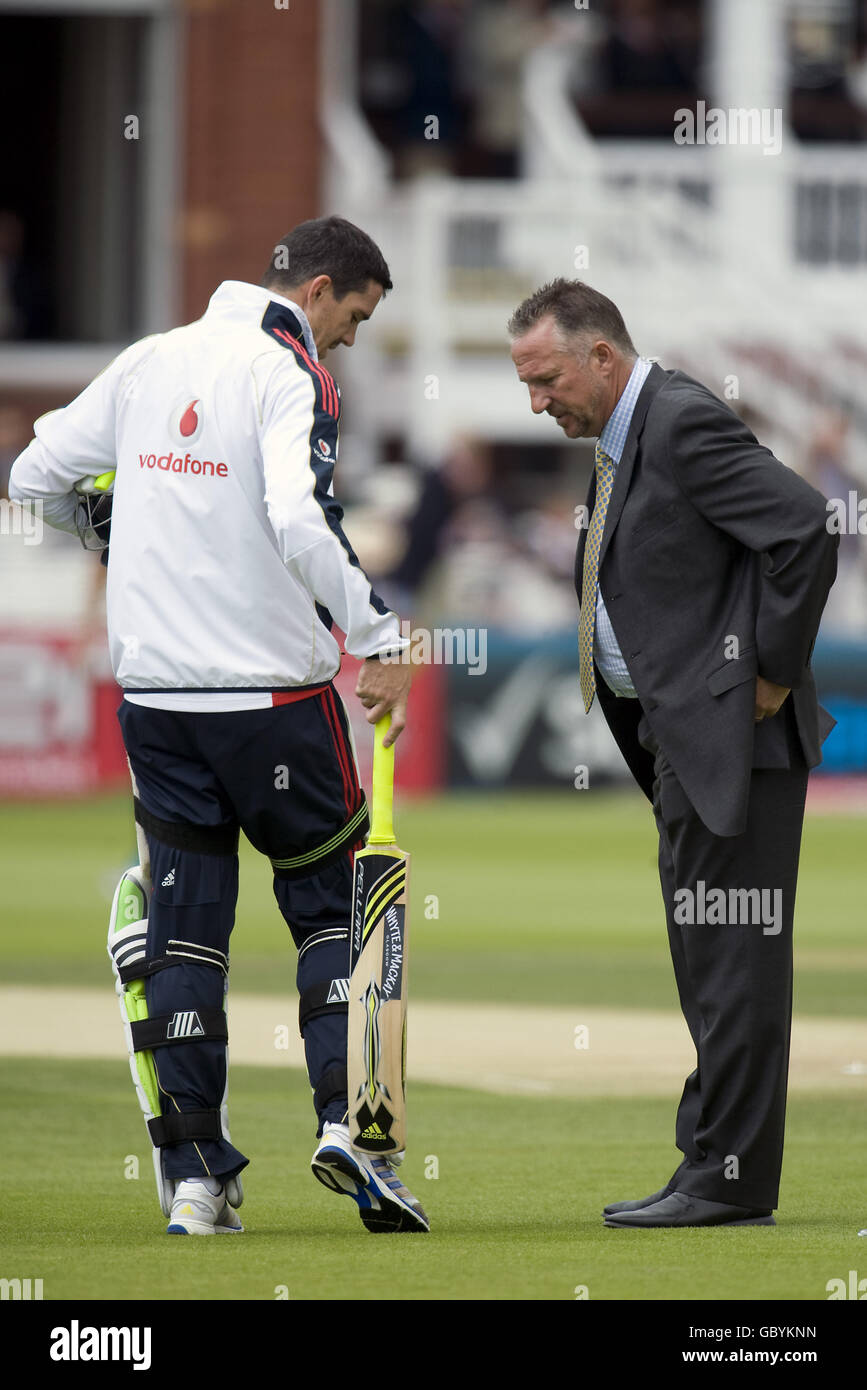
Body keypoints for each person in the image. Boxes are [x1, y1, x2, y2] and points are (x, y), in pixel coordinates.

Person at [8, 215, 428, 1236]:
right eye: (356, 318)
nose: (351, 343)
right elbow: (299, 517)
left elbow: (32, 477)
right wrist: (381, 635)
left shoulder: (150, 359)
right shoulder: (288, 374)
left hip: (156, 701)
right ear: (320, 289)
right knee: (331, 911)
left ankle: (198, 1180)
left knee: (186, 935)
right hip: (275, 701)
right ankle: (346, 1126)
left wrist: (107, 529)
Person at [508, 279, 838, 1229]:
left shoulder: (679, 420)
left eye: (545, 379)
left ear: (601, 356)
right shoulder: (630, 433)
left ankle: (726, 1182)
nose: (537, 402)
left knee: (731, 959)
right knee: (709, 958)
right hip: (685, 738)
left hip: (733, 738)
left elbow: (803, 527)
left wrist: (767, 674)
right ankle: (709, 1165)